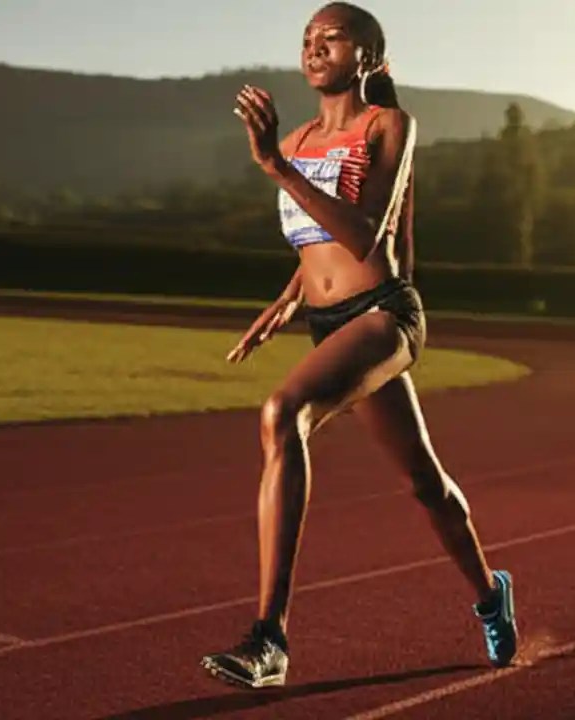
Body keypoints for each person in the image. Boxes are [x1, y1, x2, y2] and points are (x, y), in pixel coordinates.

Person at [199, 1, 518, 690]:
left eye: (333, 38)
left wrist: (274, 166)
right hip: (329, 324)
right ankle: (491, 593)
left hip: (383, 315)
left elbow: (366, 234)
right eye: (307, 39)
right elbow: (316, 236)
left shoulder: (388, 126)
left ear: (366, 56)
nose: (315, 47)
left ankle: (269, 638)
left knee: (283, 414)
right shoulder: (301, 138)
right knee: (425, 482)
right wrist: (290, 297)